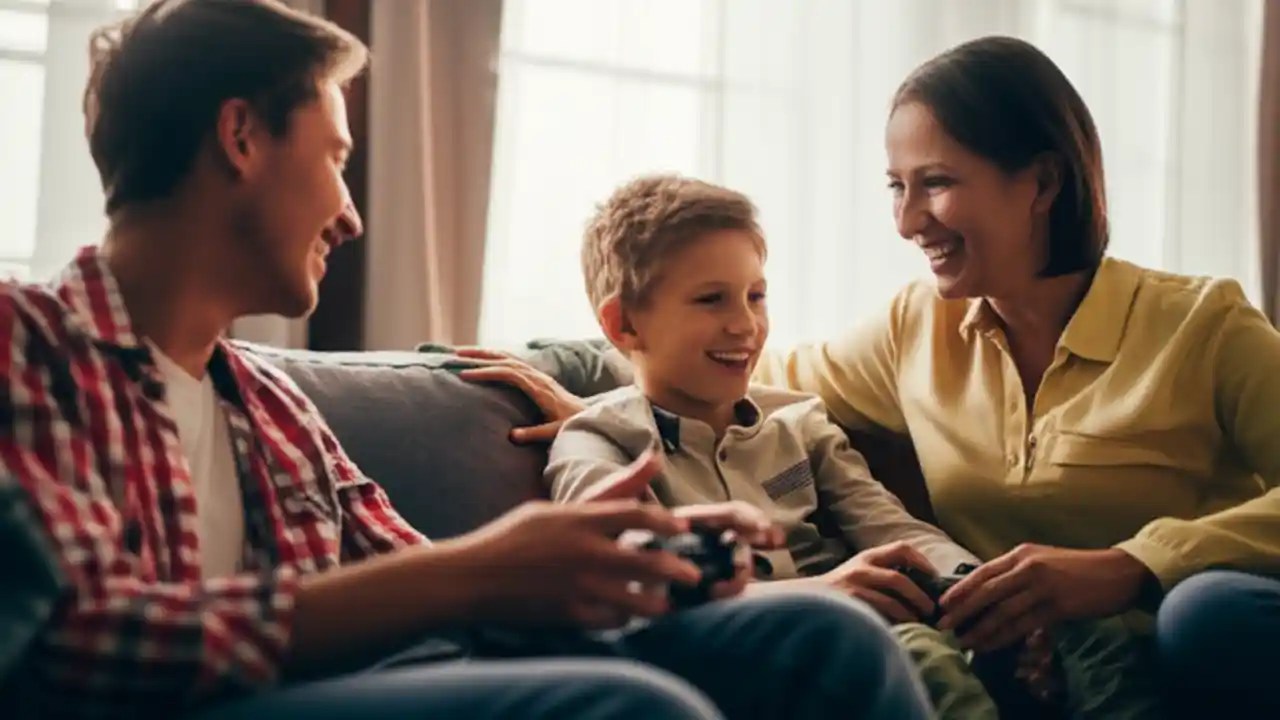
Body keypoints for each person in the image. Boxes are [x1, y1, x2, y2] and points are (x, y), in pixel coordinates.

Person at [0, 1, 940, 718]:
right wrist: (473, 573)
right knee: (630, 711)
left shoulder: (271, 407)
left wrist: (605, 574)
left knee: (827, 638)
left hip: (385, 678)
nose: (351, 213)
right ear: (241, 138)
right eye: (335, 157)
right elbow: (70, 645)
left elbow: (433, 588)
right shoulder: (27, 344)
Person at [458, 35, 1280, 719]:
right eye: (896, 186)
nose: (907, 220)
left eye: (938, 183)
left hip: (1171, 642)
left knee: (1205, 614)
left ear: (1041, 183)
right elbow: (730, 369)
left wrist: (1137, 563)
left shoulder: (1202, 323)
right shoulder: (915, 327)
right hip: (1007, 652)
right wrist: (589, 392)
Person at [538, 172, 1002, 719]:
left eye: (756, 296)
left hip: (869, 632)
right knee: (923, 657)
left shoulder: (798, 420)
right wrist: (825, 592)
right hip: (754, 654)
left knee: (1083, 639)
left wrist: (982, 590)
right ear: (624, 324)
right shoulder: (599, 441)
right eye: (712, 300)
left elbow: (888, 524)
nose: (746, 325)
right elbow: (634, 583)